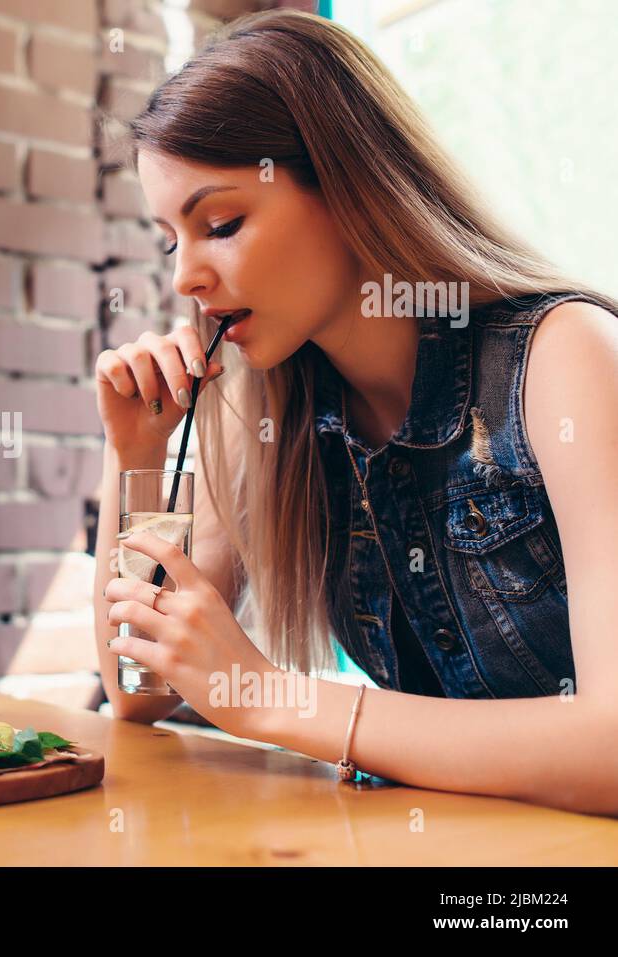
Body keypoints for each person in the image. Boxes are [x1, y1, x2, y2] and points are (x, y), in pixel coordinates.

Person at [92, 10, 618, 815]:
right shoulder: (261, 412)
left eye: (221, 223)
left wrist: (277, 701)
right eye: (172, 241)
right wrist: (134, 458)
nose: (184, 279)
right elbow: (138, 692)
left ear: (348, 184)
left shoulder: (564, 358)